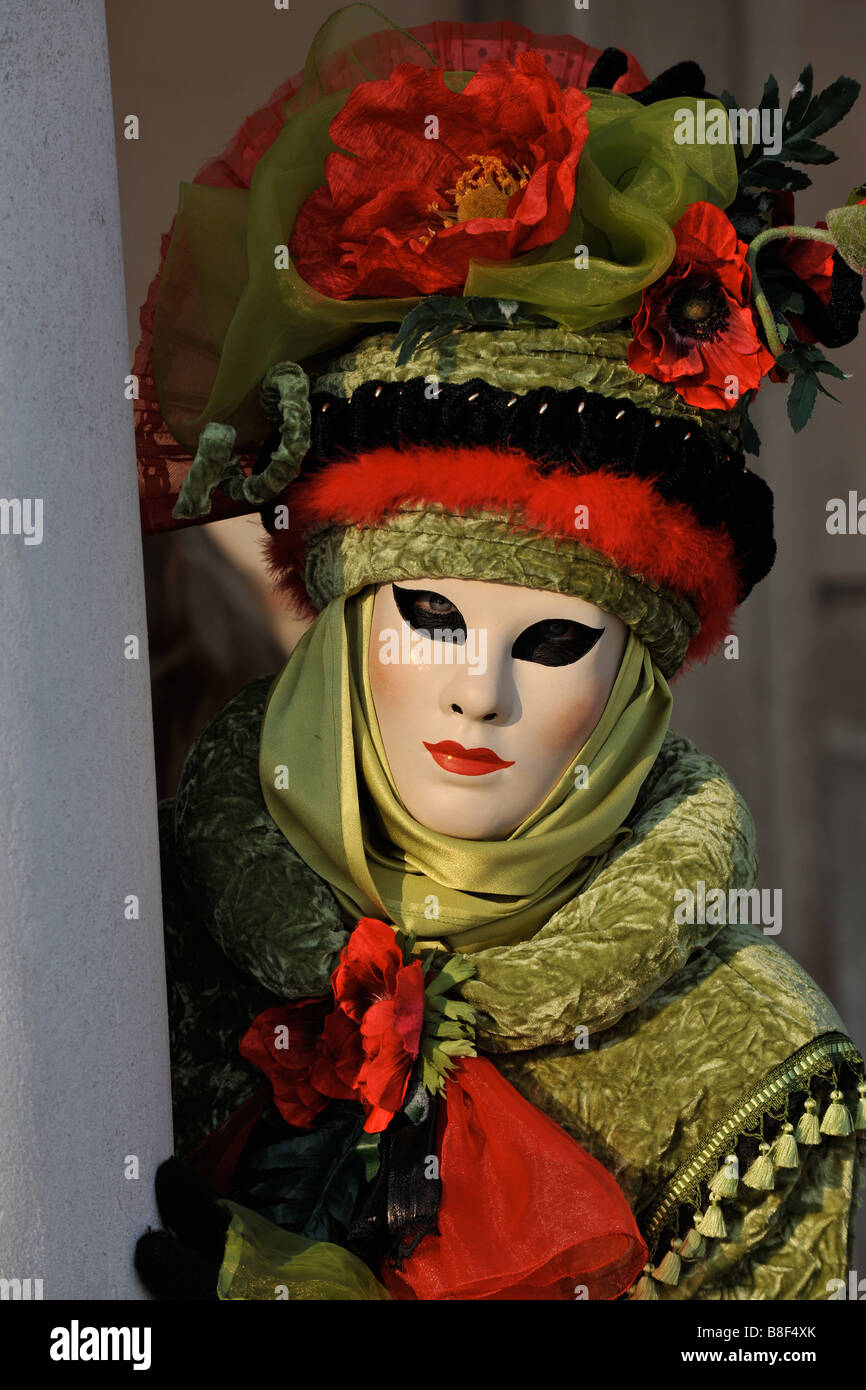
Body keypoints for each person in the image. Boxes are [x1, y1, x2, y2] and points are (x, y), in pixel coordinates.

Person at [134, 6, 866, 1299]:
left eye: (551, 639)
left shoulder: (748, 1065)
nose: (481, 686)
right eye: (425, 617)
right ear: (340, 619)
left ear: (636, 681)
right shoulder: (168, 952)